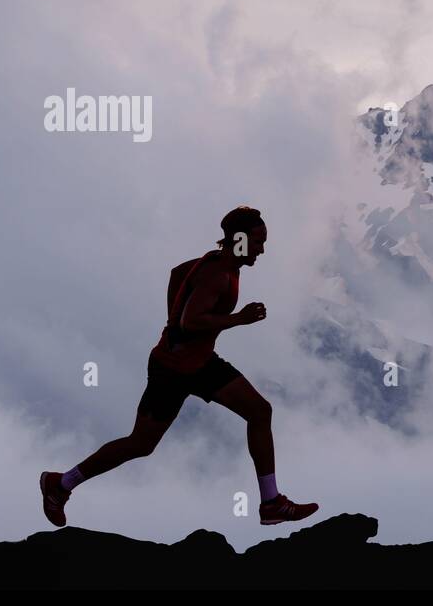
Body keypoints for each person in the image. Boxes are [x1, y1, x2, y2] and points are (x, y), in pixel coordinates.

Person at [40, 206, 318, 527]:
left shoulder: (213, 263)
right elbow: (192, 321)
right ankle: (60, 485)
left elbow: (177, 274)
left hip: (196, 363)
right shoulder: (219, 274)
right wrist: (237, 319)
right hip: (172, 371)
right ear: (239, 239)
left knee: (259, 411)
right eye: (257, 242)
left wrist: (174, 322)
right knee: (140, 444)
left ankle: (271, 503)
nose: (262, 249)